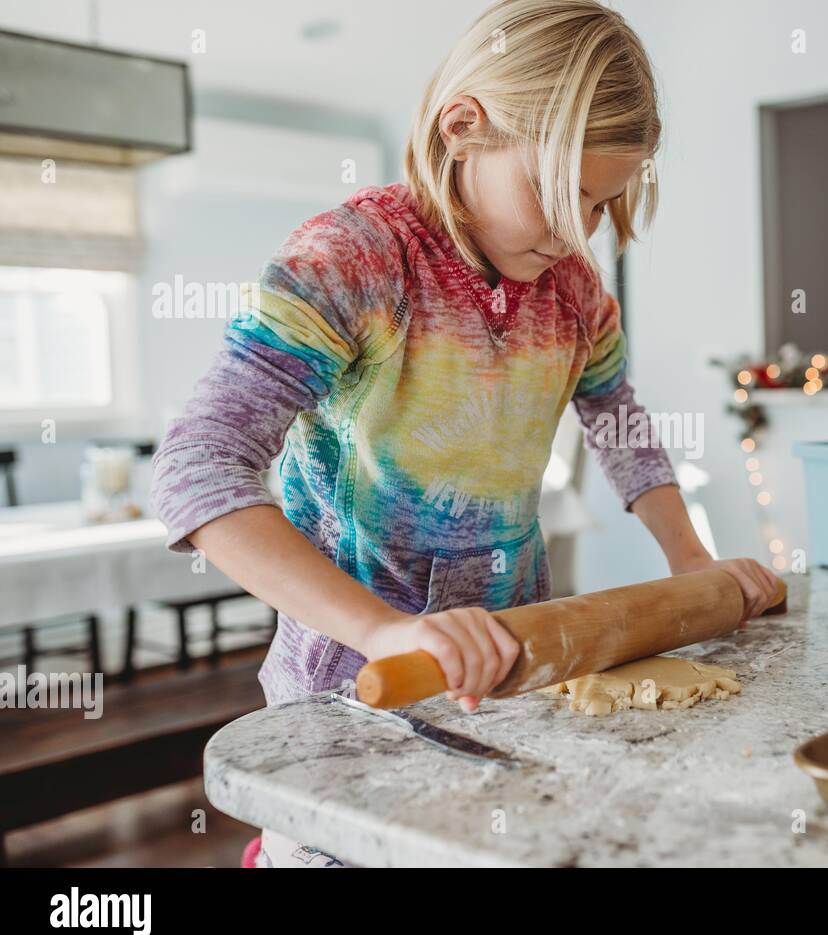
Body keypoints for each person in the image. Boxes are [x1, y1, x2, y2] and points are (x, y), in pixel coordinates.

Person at [151, 0, 780, 866]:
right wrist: (383, 632)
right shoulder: (356, 259)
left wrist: (691, 561)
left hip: (516, 672)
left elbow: (620, 420)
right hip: (349, 693)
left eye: (597, 203)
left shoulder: (575, 294)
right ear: (464, 128)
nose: (578, 232)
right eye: (557, 196)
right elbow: (196, 467)